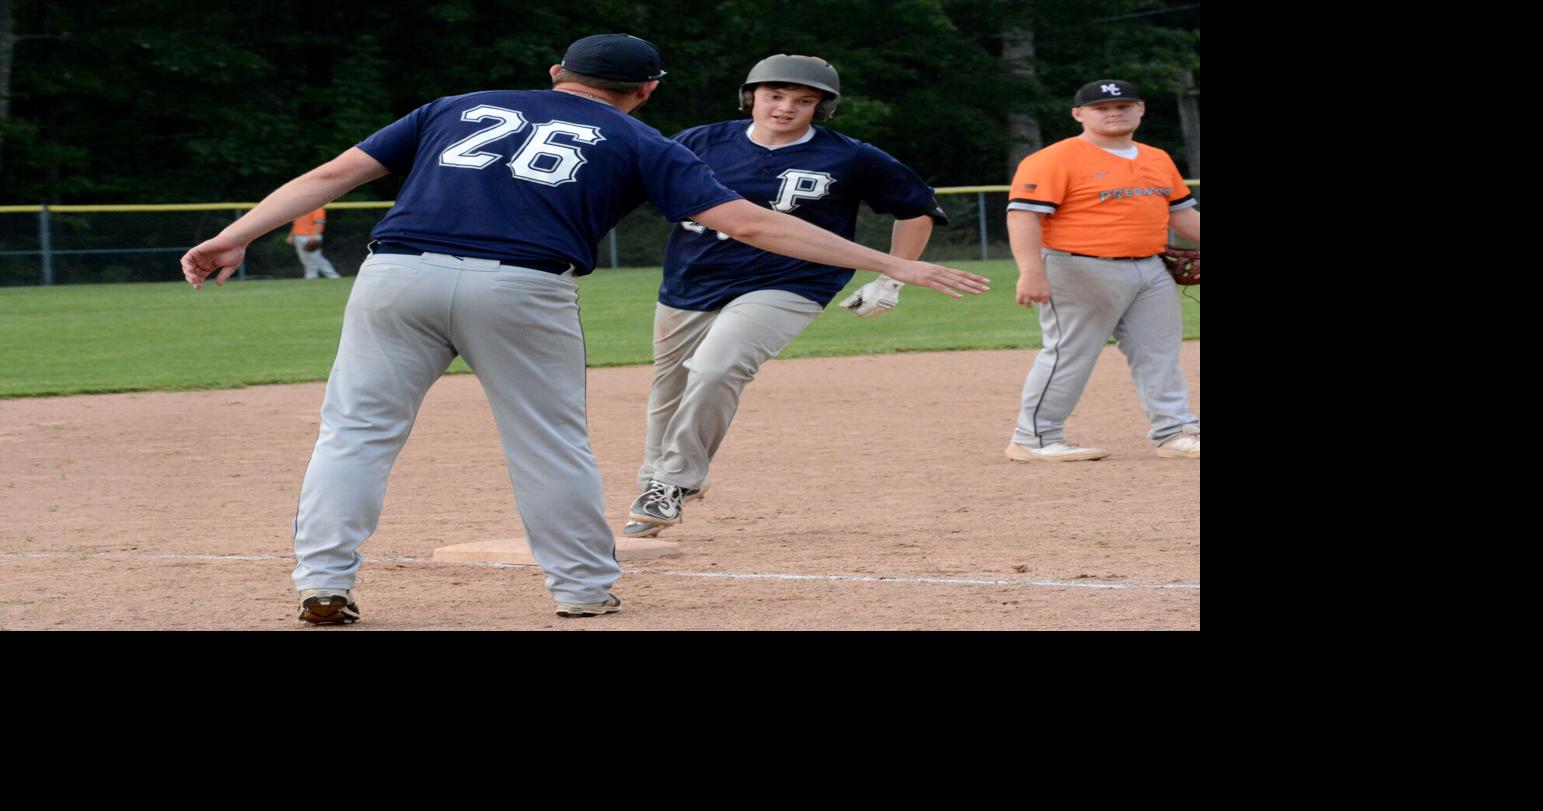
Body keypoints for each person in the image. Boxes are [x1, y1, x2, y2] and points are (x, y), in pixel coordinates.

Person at [178, 35, 989, 624]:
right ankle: (579, 589)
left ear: (557, 75)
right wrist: (892, 265)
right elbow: (750, 223)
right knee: (547, 442)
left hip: (395, 275)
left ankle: (321, 578)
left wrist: (236, 232)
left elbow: (332, 176)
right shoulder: (640, 136)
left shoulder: (453, 106)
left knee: (354, 433)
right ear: (647, 90)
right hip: (523, 286)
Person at [622, 54, 948, 539]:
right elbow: (629, 188)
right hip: (691, 282)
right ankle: (656, 479)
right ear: (751, 97)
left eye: (803, 100)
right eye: (774, 95)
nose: (785, 107)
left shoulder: (849, 155)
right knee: (669, 390)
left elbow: (917, 207)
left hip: (791, 283)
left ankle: (672, 482)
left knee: (717, 367)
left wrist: (890, 279)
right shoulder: (698, 142)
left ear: (821, 108)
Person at [1003, 79, 1200, 463]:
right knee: (1068, 354)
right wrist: (1031, 272)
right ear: (1079, 114)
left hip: (1151, 268)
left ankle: (1175, 431)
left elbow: (1182, 216)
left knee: (1158, 354)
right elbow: (1024, 216)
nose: (1114, 112)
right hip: (1077, 267)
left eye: (1124, 105)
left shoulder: (1157, 158)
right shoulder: (1053, 159)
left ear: (1140, 109)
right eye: (1101, 108)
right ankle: (1034, 437)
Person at [286, 207, 341, 279]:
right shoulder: (300, 208)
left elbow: (319, 223)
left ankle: (332, 275)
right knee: (304, 258)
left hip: (311, 236)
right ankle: (311, 275)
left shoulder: (317, 207)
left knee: (316, 257)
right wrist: (291, 235)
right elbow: (296, 224)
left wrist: (314, 236)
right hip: (298, 235)